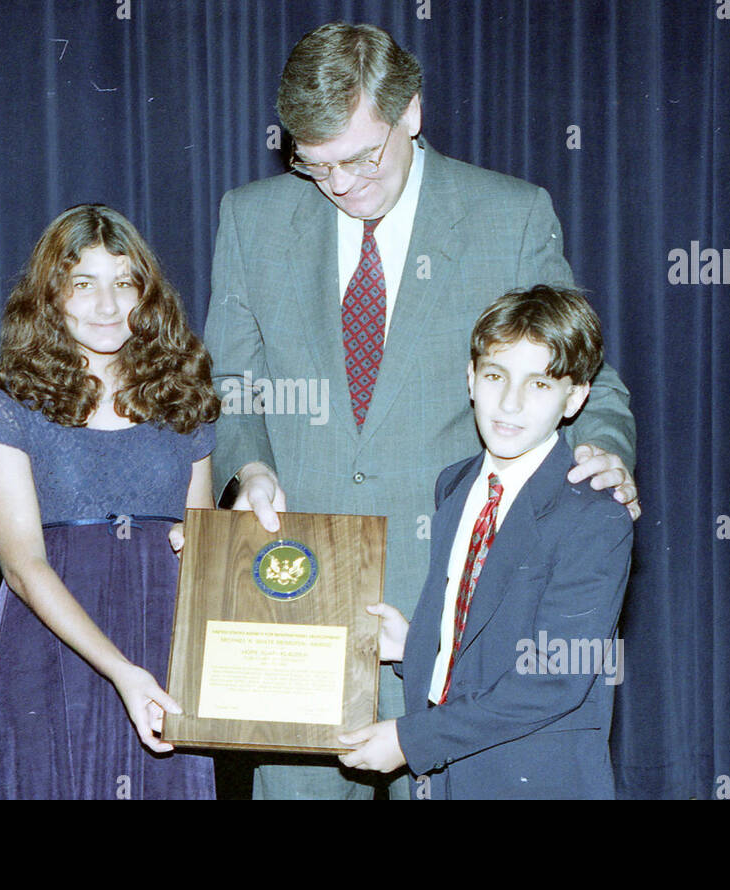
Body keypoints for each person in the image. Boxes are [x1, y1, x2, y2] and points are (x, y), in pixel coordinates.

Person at [203, 22, 639, 799]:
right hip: (301, 605)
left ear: (411, 113)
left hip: (448, 620)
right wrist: (250, 463)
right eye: (315, 163)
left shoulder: (510, 215)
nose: (340, 184)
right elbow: (230, 385)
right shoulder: (251, 218)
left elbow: (588, 377)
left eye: (360, 158)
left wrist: (604, 450)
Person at [0, 204, 219, 799]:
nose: (108, 306)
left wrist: (205, 540)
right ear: (50, 296)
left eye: (124, 283)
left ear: (146, 295)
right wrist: (121, 673)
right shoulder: (3, 405)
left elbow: (201, 543)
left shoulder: (185, 397)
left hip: (162, 653)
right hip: (51, 653)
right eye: (84, 284)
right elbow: (24, 568)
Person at [338, 284, 633, 799]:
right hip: (448, 782)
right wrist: (415, 647)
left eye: (540, 384)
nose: (511, 403)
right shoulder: (454, 486)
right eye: (496, 376)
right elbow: (481, 637)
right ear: (471, 379)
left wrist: (411, 740)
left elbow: (554, 680)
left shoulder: (594, 516)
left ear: (576, 397)